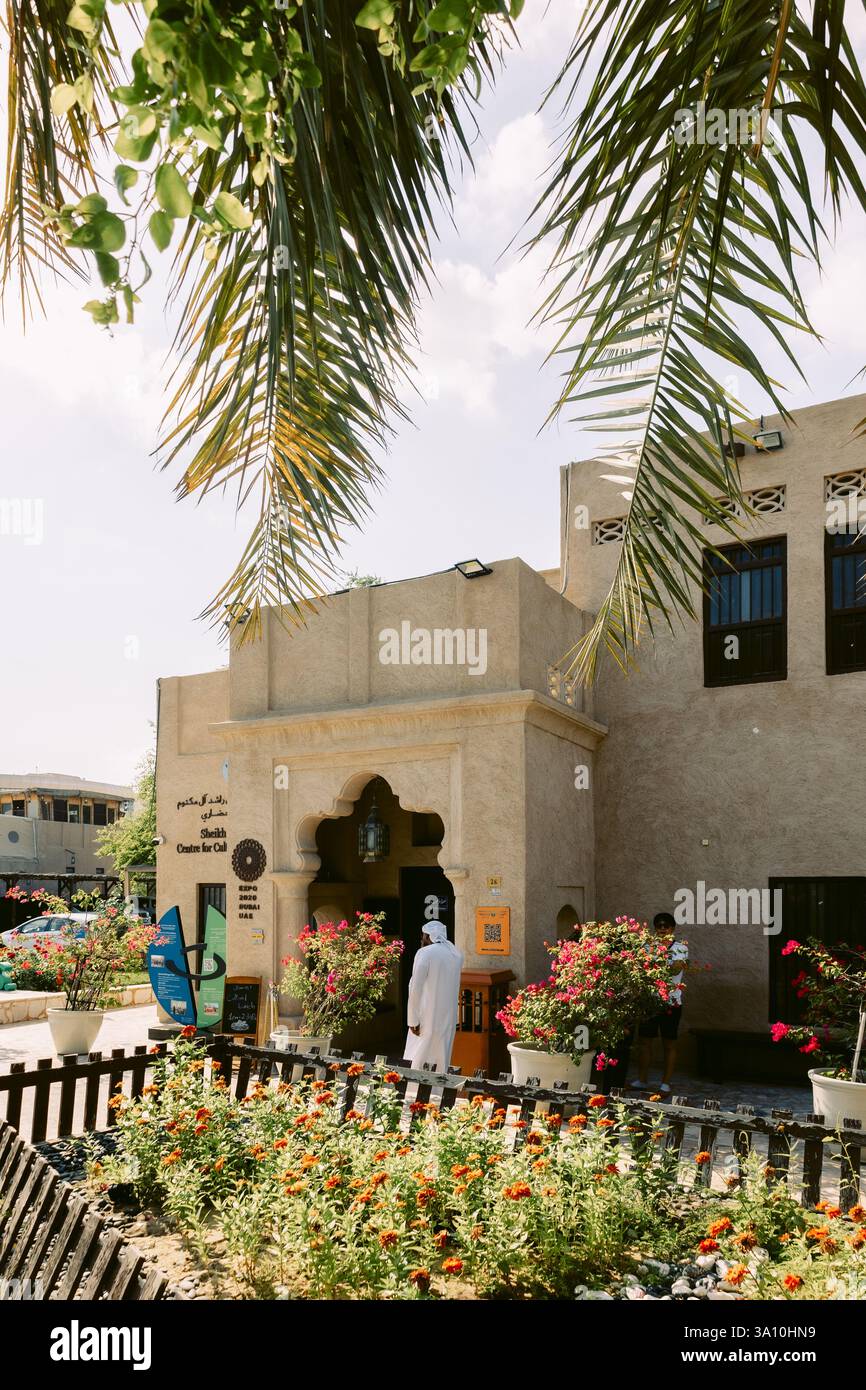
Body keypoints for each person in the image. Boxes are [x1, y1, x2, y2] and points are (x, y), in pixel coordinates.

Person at [630, 912, 688, 1095]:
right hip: (651, 1001)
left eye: (666, 926)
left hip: (671, 1001)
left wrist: (654, 966)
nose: (663, 929)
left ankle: (665, 1084)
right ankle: (642, 1080)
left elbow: (672, 970)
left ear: (672, 928)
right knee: (644, 1041)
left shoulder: (680, 948)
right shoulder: (649, 947)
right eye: (659, 926)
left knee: (669, 1043)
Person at [404, 921, 464, 1071]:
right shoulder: (456, 954)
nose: (422, 939)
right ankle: (438, 1092)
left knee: (417, 1059)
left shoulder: (425, 953)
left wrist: (412, 1019)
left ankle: (413, 1091)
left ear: (428, 936)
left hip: (425, 1018)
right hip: (447, 1020)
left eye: (423, 935)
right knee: (441, 1060)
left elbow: (415, 988)